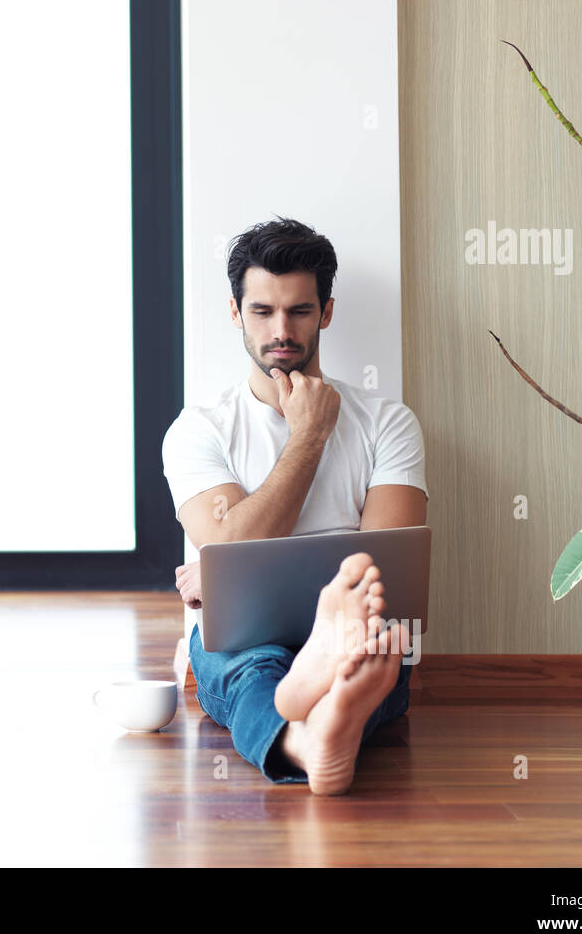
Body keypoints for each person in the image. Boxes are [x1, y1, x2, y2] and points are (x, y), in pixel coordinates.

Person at [161, 216, 428, 795]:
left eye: (299, 311)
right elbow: (229, 548)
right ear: (236, 314)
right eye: (262, 311)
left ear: (326, 312)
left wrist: (229, 566)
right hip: (241, 642)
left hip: (359, 634)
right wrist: (307, 437)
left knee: (375, 652)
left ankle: (312, 718)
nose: (281, 329)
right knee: (251, 664)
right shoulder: (197, 431)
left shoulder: (389, 423)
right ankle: (313, 732)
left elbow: (382, 572)